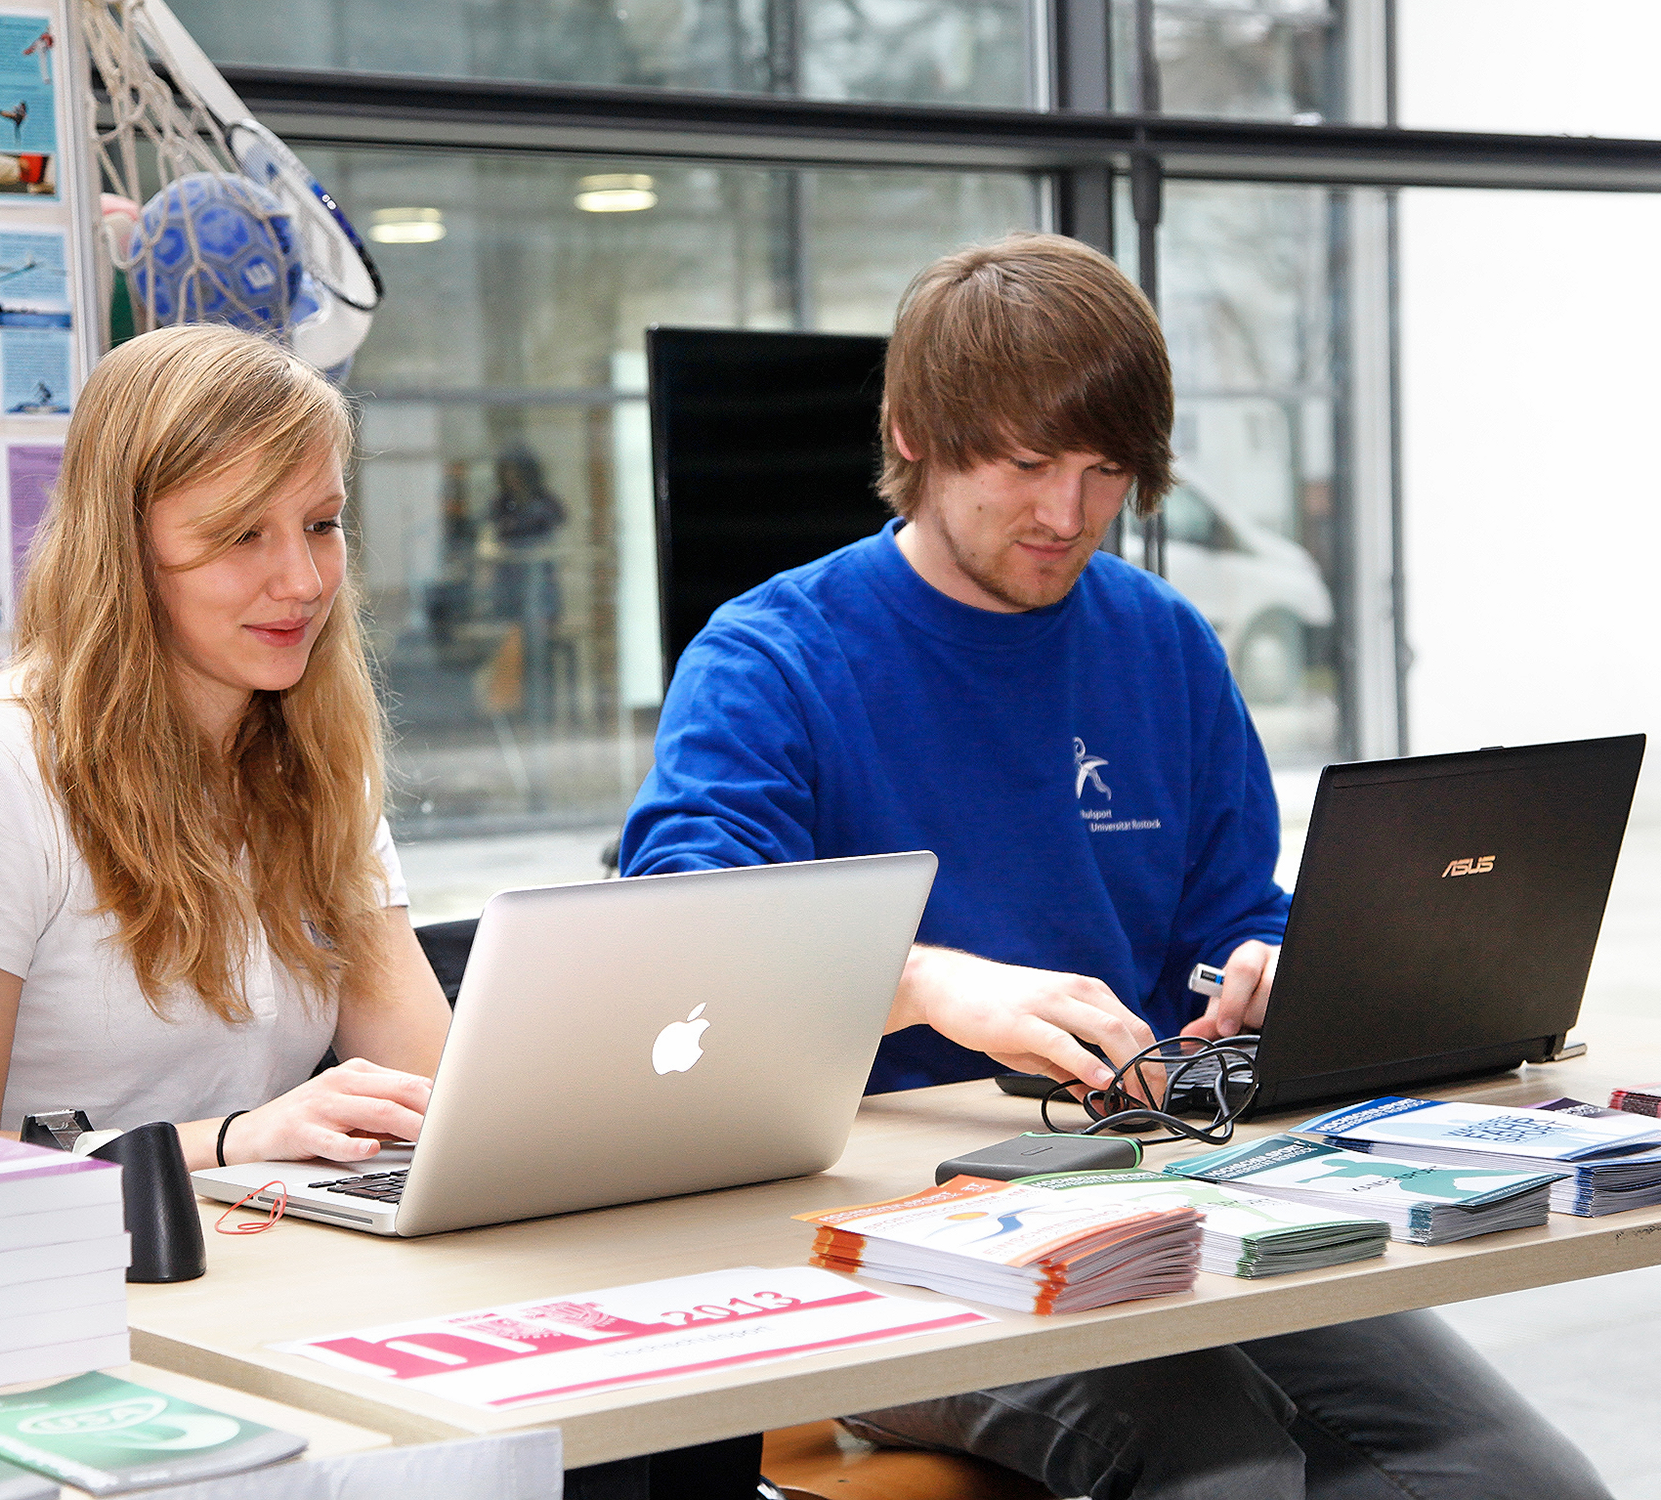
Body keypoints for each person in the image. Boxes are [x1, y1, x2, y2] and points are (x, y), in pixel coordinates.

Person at [619, 234, 1607, 1499]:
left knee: (1515, 1476)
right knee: (1229, 1468)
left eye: (1104, 472)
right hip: (888, 1237)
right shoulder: (771, 658)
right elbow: (672, 946)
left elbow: (1228, 907)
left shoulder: (1162, 644)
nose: (1067, 516)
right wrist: (928, 984)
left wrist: (1272, 965)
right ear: (910, 429)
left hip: (1170, 1192)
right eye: (1025, 465)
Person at [0, 324, 452, 1171]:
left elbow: (428, 1086)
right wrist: (235, 1142)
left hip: (259, 1258)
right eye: (243, 534)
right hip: (47, 1276)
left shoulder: (311, 762)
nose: (305, 582)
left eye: (321, 524)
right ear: (124, 548)